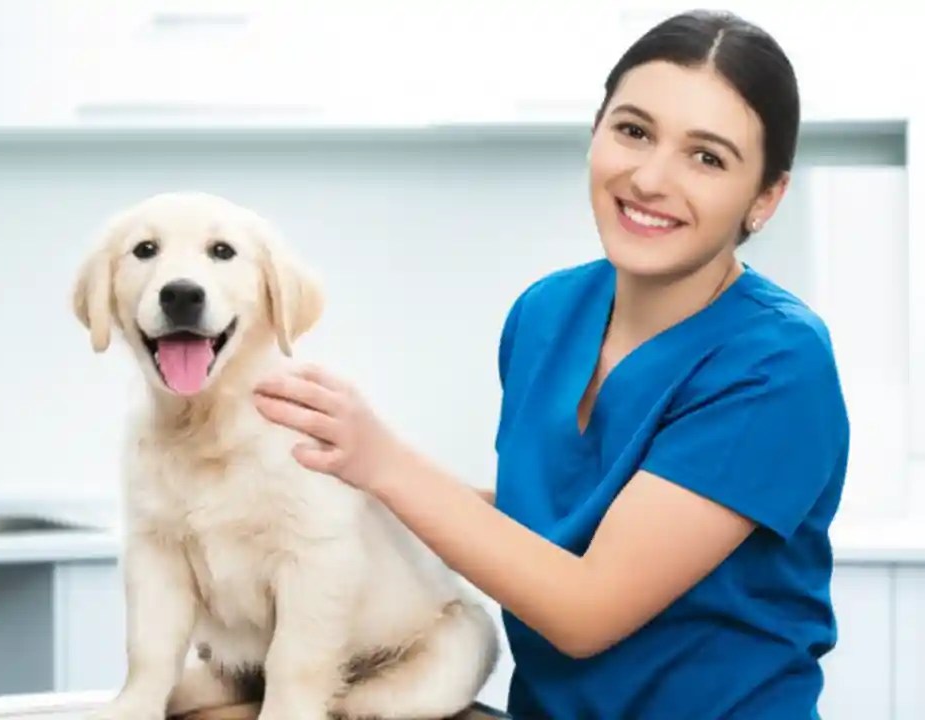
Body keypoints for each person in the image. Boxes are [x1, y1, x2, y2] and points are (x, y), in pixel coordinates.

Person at [253, 9, 850, 719]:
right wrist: (345, 481)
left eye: (707, 156)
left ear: (765, 198)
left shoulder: (777, 364)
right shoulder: (546, 314)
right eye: (633, 130)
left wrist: (382, 460)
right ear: (596, 131)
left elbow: (585, 609)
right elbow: (545, 528)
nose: (652, 177)